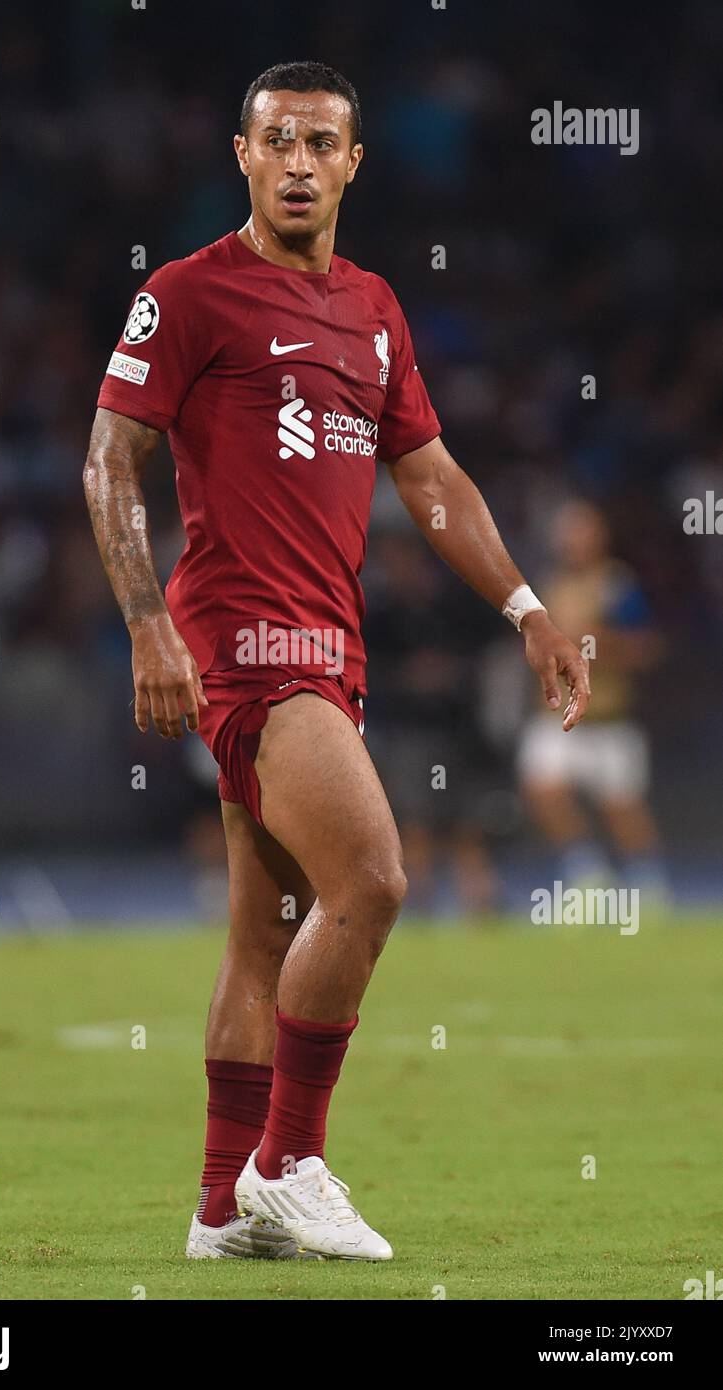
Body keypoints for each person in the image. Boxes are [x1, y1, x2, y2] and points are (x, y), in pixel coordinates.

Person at [83, 60, 590, 1261]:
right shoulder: (188, 293)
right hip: (247, 641)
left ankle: (220, 1209)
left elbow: (430, 478)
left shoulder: (372, 308)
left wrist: (524, 605)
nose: (300, 162)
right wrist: (149, 622)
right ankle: (289, 1162)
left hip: (331, 643)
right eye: (278, 142)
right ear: (244, 157)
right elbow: (109, 460)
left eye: (322, 143)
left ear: (355, 163)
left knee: (268, 929)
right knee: (373, 876)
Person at [517, 498, 666, 894]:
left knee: (623, 811)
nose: (572, 539)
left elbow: (647, 649)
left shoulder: (617, 585)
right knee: (542, 788)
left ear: (600, 535)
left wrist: (602, 643)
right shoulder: (547, 586)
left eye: (581, 530)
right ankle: (587, 876)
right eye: (566, 531)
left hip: (608, 716)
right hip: (557, 717)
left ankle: (647, 888)